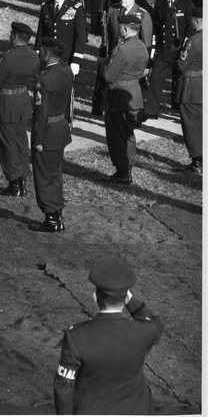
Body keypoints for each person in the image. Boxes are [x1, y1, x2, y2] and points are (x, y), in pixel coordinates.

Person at [53, 258, 164, 413]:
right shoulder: (146, 331)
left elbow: (64, 386)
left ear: (95, 297)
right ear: (125, 298)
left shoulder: (76, 336)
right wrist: (130, 299)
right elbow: (155, 322)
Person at [0, 22, 40, 197]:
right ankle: (22, 181)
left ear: (15, 36)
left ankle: (14, 184)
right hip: (22, 102)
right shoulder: (34, 56)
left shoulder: (7, 58)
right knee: (21, 143)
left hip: (6, 105)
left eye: (11, 34)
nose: (10, 36)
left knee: (7, 145)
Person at [30, 37, 73, 232]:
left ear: (46, 54)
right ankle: (57, 215)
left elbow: (41, 113)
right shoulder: (67, 71)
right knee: (55, 174)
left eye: (41, 51)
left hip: (46, 132)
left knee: (44, 176)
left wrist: (37, 140)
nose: (39, 53)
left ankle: (51, 219)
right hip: (61, 129)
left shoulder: (44, 80)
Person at [100, 14, 148, 184]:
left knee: (117, 135)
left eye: (120, 27)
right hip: (134, 93)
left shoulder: (122, 49)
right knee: (128, 134)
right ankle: (127, 169)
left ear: (126, 29)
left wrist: (104, 66)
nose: (118, 30)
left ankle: (122, 173)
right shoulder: (142, 46)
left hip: (118, 96)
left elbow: (108, 75)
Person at [145, 0, 194, 119]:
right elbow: (157, 26)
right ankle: (151, 111)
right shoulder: (160, 4)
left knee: (179, 80)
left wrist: (186, 48)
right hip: (163, 49)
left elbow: (190, 28)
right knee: (155, 78)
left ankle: (178, 108)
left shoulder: (186, 4)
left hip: (180, 49)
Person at [36, 0, 87, 76]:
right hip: (49, 57)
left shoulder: (76, 8)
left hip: (67, 57)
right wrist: (37, 52)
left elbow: (80, 37)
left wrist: (76, 60)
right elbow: (40, 33)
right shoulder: (45, 6)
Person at [174, 8, 202, 174]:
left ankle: (198, 160)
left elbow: (181, 64)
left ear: (196, 21)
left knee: (191, 125)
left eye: (191, 20)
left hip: (191, 87)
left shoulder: (194, 40)